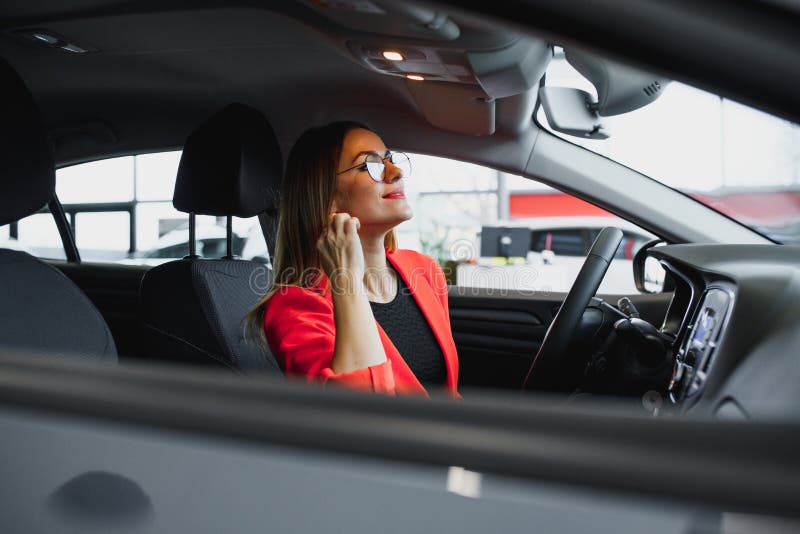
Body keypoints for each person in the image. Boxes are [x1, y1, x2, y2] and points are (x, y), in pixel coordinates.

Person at [248, 121, 459, 397]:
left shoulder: (423, 270)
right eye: (369, 165)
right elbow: (360, 411)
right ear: (327, 197)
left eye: (390, 160)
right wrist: (346, 279)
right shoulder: (295, 307)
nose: (396, 173)